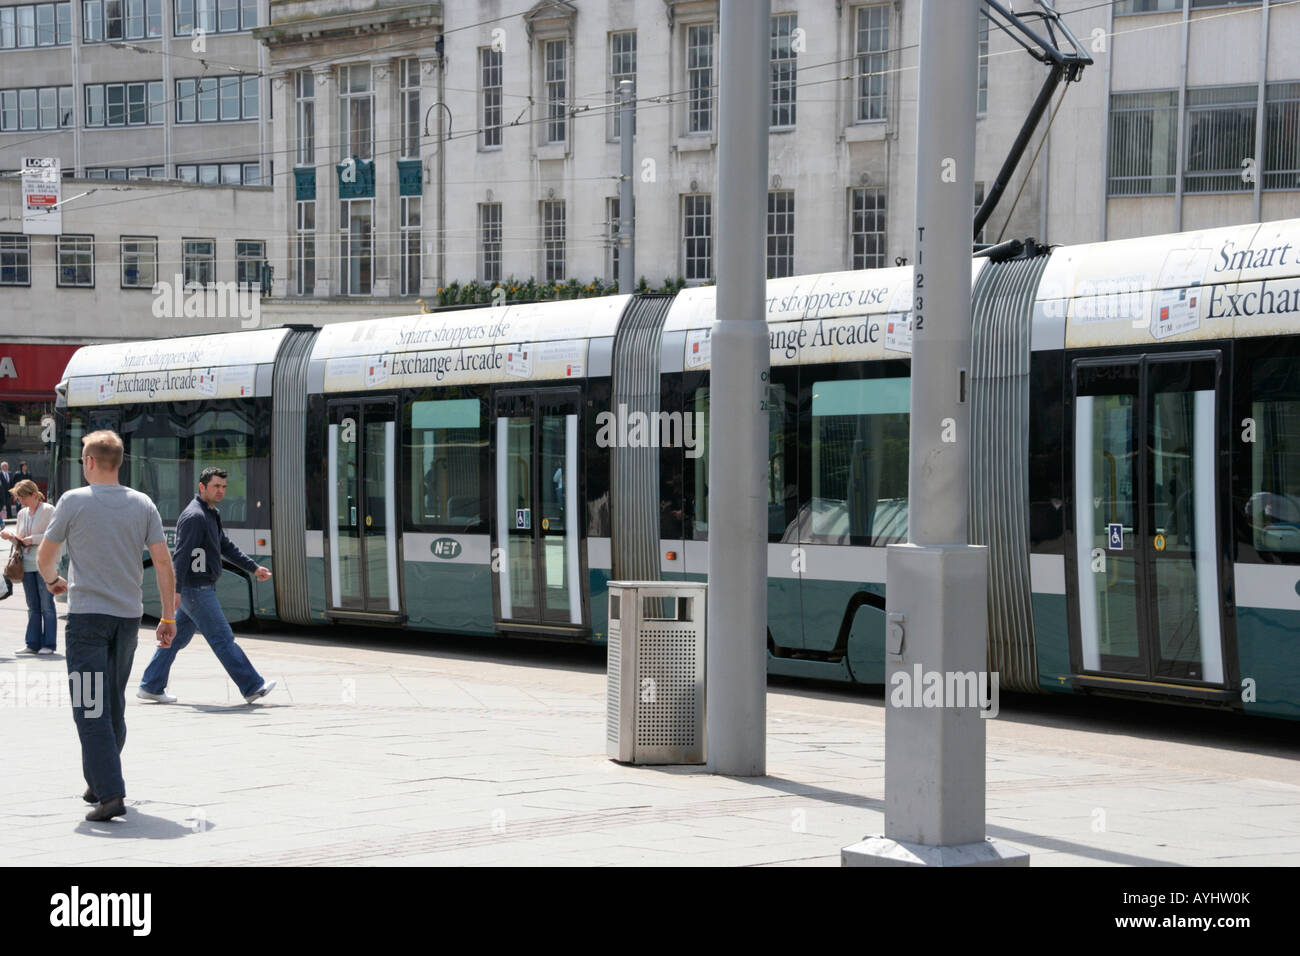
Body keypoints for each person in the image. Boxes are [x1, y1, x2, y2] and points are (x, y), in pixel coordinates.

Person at [37, 430, 176, 823]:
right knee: (112, 703)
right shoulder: (143, 504)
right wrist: (167, 617)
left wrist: (51, 582)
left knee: (90, 706)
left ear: (91, 462)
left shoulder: (73, 501)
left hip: (86, 621)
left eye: (83, 458)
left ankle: (111, 793)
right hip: (128, 620)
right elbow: (164, 564)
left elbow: (47, 557)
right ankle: (100, 779)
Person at [138, 466, 275, 706]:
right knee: (223, 639)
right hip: (196, 590)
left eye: (224, 487)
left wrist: (253, 567)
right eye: (216, 486)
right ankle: (252, 686)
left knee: (176, 640)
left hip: (199, 588)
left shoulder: (211, 513)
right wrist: (176, 591)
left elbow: (226, 546)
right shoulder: (195, 517)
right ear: (202, 487)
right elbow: (180, 556)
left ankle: (151, 685)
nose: (221, 491)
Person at [4, 479, 57, 655]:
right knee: (32, 605)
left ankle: (49, 644)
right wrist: (11, 537)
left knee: (46, 605)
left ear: (33, 495)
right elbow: (20, 538)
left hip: (44, 563)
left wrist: (32, 539)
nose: (20, 502)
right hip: (25, 564)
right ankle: (32, 643)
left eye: (22, 498)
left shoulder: (49, 510)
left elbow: (53, 536)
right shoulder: (22, 513)